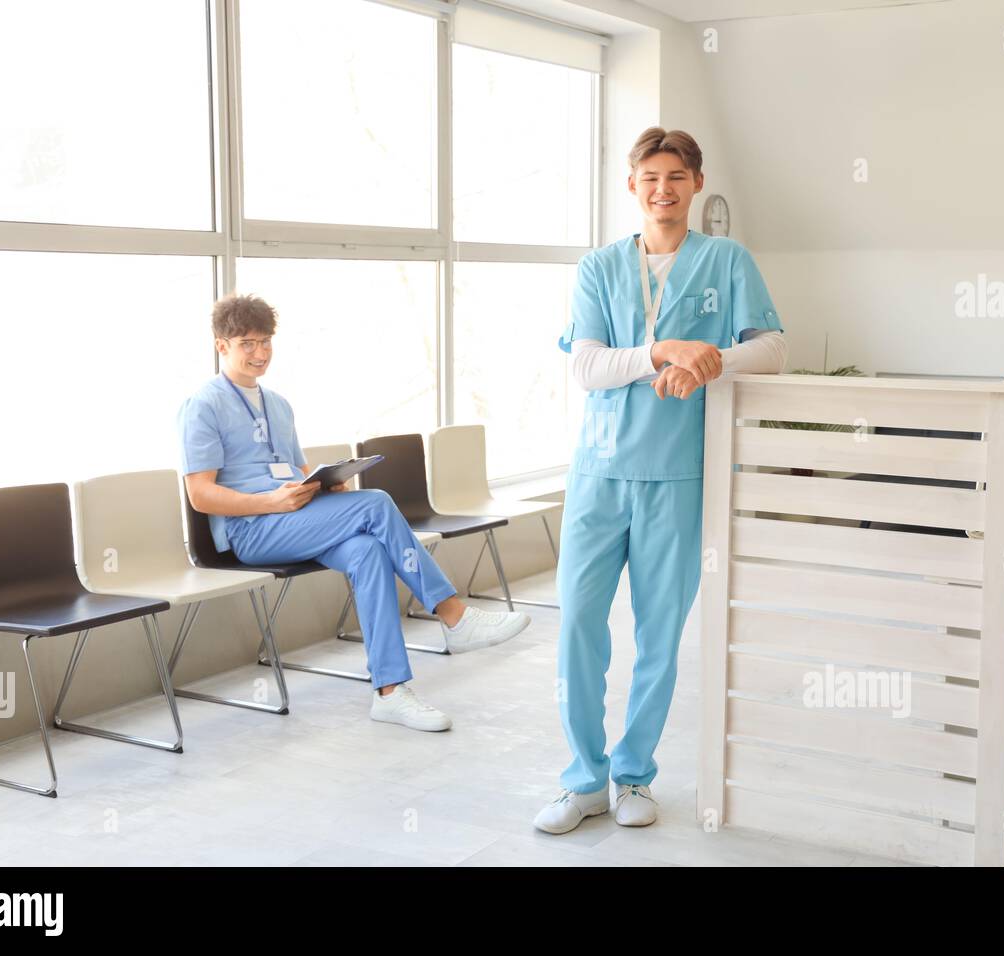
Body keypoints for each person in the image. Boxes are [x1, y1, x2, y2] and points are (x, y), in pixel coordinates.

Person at [534, 127, 788, 833]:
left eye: (676, 176)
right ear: (632, 186)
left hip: (677, 474)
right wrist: (658, 353)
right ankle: (583, 779)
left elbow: (771, 348)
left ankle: (634, 775)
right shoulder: (599, 268)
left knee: (659, 633)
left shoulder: (727, 261)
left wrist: (711, 361)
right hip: (598, 473)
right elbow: (585, 366)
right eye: (650, 176)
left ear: (696, 185)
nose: (663, 189)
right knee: (579, 625)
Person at [178, 293, 531, 732]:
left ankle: (389, 692)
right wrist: (270, 502)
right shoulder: (203, 406)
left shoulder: (279, 404)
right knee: (377, 502)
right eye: (247, 343)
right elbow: (201, 496)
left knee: (366, 550)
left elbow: (297, 470)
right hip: (253, 530)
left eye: (266, 341)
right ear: (221, 345)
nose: (260, 353)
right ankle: (453, 615)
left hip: (296, 517)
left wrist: (328, 485)